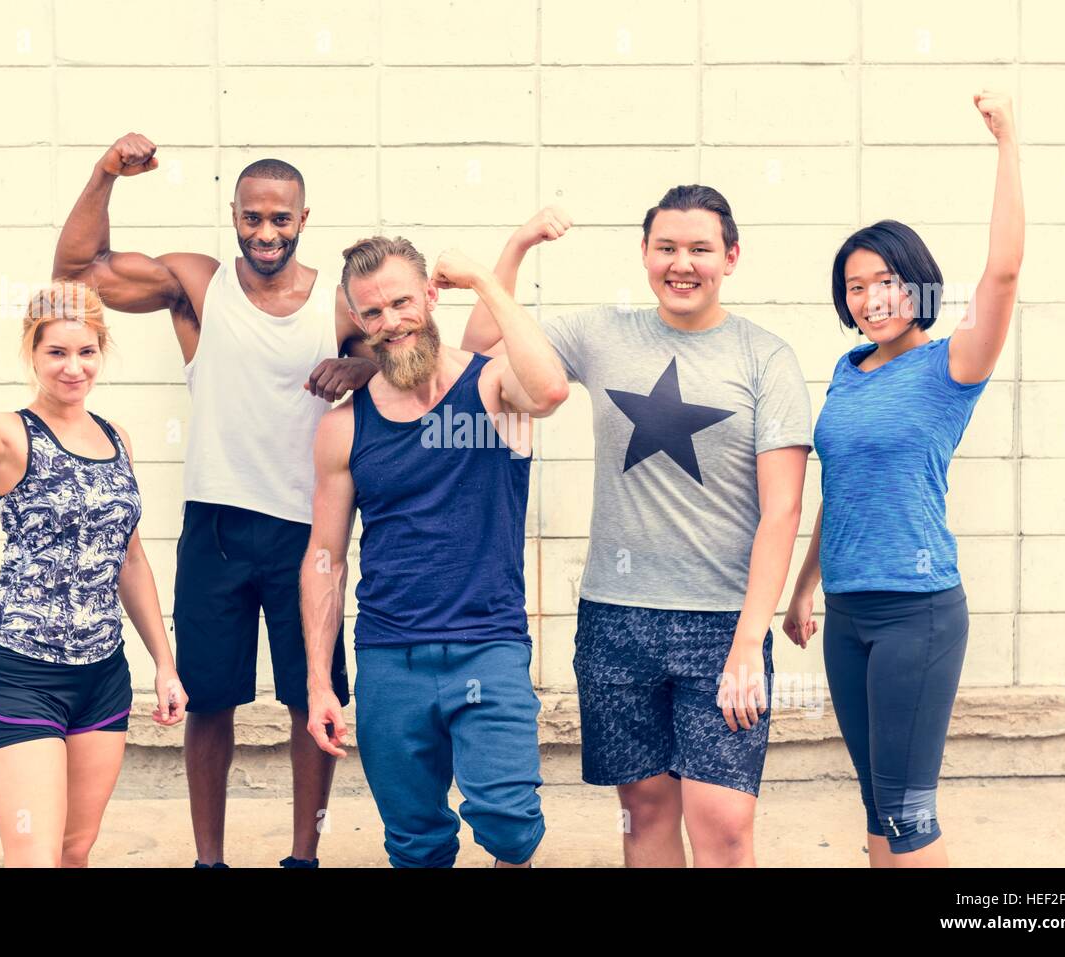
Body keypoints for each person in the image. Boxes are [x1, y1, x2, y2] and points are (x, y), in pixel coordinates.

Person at [53, 132, 377, 868]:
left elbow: (406, 354)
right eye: (253, 218)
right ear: (234, 214)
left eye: (281, 220)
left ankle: (303, 856)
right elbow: (77, 272)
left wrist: (356, 369)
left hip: (309, 532)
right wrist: (107, 173)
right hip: (217, 526)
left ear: (303, 219)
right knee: (208, 702)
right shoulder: (200, 283)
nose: (267, 233)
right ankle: (210, 859)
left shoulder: (339, 302)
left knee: (310, 701)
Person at [463, 200, 812, 867]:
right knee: (644, 814)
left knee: (726, 824)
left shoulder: (766, 358)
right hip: (616, 621)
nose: (682, 263)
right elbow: (482, 348)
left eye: (701, 249)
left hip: (721, 625)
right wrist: (511, 252)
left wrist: (747, 642)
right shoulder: (602, 334)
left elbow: (783, 510)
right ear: (645, 253)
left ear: (731, 257)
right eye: (666, 247)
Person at [782, 91, 1024, 867]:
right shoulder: (848, 373)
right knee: (878, 810)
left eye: (885, 280)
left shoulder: (950, 363)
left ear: (915, 282)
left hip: (918, 611)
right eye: (856, 287)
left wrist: (1007, 143)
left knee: (911, 811)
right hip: (847, 613)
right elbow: (841, 489)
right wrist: (802, 585)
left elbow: (1006, 271)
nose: (871, 297)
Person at [0, 278, 187, 867]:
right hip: (17, 677)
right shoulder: (8, 434)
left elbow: (129, 558)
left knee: (75, 851)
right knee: (34, 856)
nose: (73, 367)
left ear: (102, 350)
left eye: (86, 351)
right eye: (56, 352)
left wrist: (165, 664)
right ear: (32, 353)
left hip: (102, 678)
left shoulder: (116, 438)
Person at [302, 237, 569, 868]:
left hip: (488, 644)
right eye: (372, 313)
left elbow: (551, 390)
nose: (389, 322)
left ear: (429, 295)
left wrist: (484, 280)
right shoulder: (344, 426)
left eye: (401, 302)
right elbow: (325, 558)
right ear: (358, 322)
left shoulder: (491, 391)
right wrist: (320, 681)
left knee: (508, 824)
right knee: (415, 843)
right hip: (390, 656)